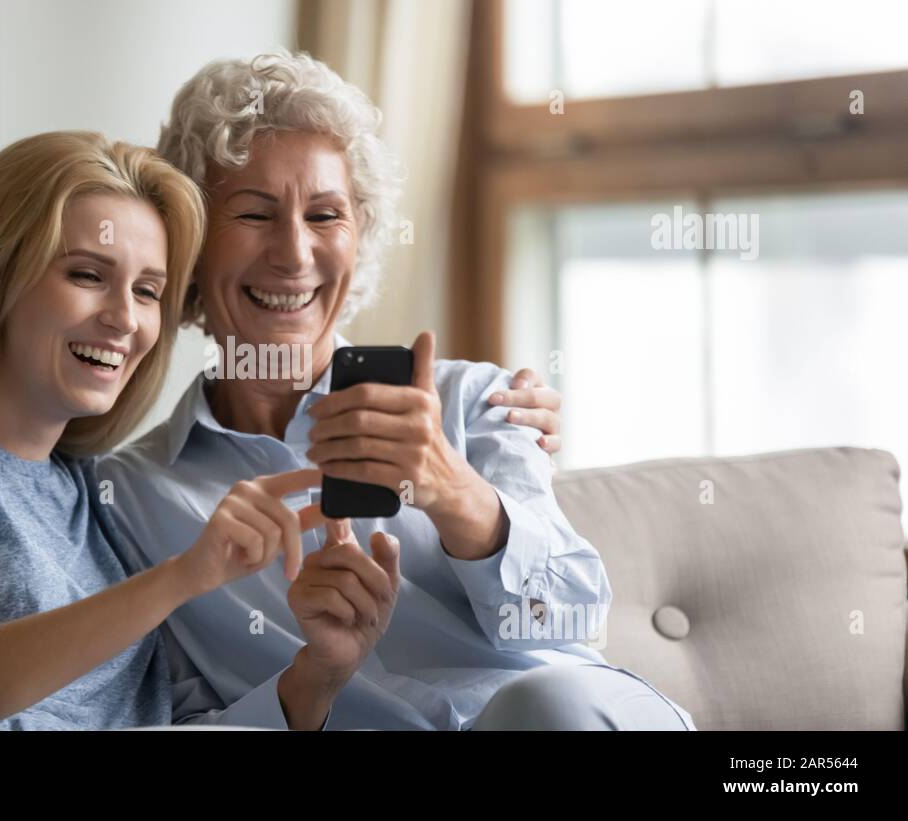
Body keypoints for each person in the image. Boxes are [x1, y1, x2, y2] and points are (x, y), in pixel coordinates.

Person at [95, 51, 696, 730]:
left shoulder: (473, 401)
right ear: (192, 242)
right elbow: (175, 715)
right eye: (256, 215)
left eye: (325, 215)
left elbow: (573, 614)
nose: (294, 254)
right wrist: (308, 682)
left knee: (544, 706)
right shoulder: (131, 498)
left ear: (362, 238)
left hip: (567, 718)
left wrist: (455, 493)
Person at [0, 131, 388, 730]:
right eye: (86, 275)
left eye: (148, 291)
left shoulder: (91, 495)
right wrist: (182, 577)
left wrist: (314, 679)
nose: (124, 319)